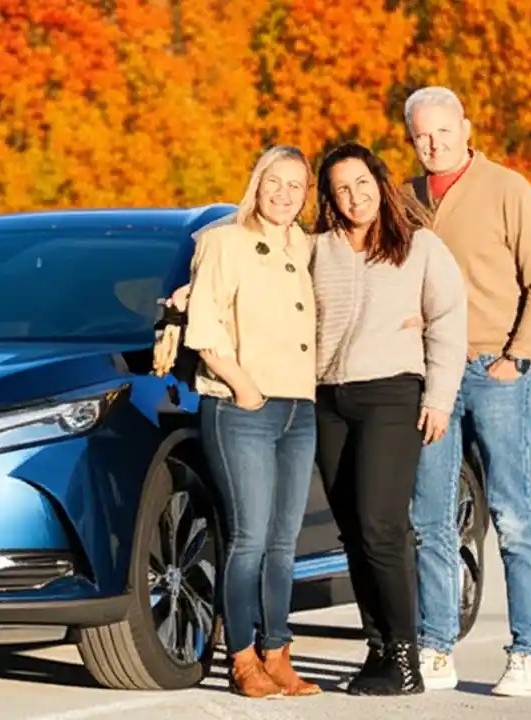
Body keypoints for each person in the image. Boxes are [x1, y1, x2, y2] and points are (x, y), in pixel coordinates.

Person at [403, 86, 531, 697]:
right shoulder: (405, 199)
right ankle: (436, 647)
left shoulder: (507, 189)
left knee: (511, 514)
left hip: (496, 371)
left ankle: (527, 655)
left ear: (465, 127)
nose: (433, 143)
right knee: (431, 517)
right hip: (431, 381)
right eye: (421, 135)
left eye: (443, 131)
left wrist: (517, 355)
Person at [309, 143, 468, 695]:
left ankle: (406, 657)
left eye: (362, 183)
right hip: (328, 398)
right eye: (342, 189)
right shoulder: (318, 250)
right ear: (330, 198)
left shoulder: (418, 245)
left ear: (380, 181)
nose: (355, 197)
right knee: (352, 529)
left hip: (392, 396)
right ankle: (376, 648)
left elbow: (448, 317)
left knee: (382, 524)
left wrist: (440, 396)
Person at [183, 145, 322, 699]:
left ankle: (278, 653)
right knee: (249, 538)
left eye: (296, 186)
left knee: (284, 542)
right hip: (242, 406)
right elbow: (204, 327)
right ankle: (242, 660)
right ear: (256, 182)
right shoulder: (222, 241)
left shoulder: (305, 246)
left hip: (299, 408)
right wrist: (244, 387)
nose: (284, 194)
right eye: (275, 181)